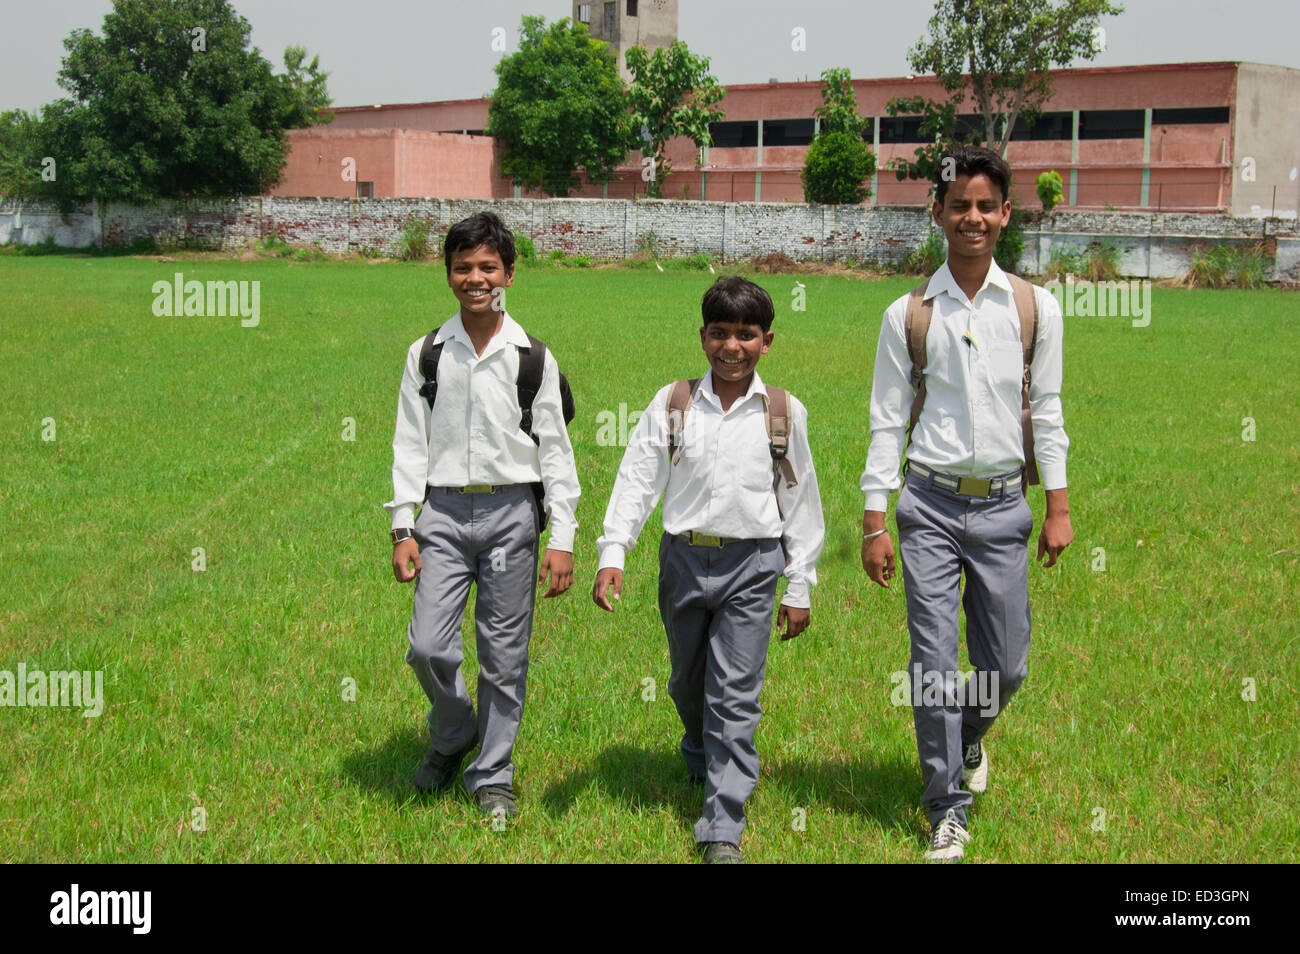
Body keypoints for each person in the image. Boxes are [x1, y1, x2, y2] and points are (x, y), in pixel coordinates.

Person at [860, 145, 1073, 862]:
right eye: (960, 206)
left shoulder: (1034, 308)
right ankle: (945, 806)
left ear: (1006, 215)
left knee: (1005, 665)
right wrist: (873, 518)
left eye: (986, 206)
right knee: (932, 664)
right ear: (938, 214)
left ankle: (971, 734)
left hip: (1005, 508)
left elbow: (1047, 410)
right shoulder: (909, 313)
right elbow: (888, 418)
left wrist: (1059, 507)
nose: (973, 217)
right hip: (926, 505)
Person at [592, 276, 825, 864]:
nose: (732, 346)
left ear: (767, 341)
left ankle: (723, 823)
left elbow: (801, 503)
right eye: (720, 333)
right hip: (684, 560)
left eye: (746, 335)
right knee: (687, 683)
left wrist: (799, 582)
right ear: (702, 337)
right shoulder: (673, 404)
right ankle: (697, 749)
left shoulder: (782, 412)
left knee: (735, 694)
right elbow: (638, 480)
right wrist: (614, 550)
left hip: (754, 564)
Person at [385, 210, 579, 821]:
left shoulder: (533, 359)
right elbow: (409, 442)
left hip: (512, 514)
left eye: (487, 267)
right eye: (462, 267)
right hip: (441, 514)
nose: (476, 278)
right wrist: (402, 524)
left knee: (503, 653)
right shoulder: (427, 354)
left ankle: (493, 773)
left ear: (510, 274)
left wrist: (564, 537)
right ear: (447, 274)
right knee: (427, 648)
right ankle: (454, 732)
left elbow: (556, 451)